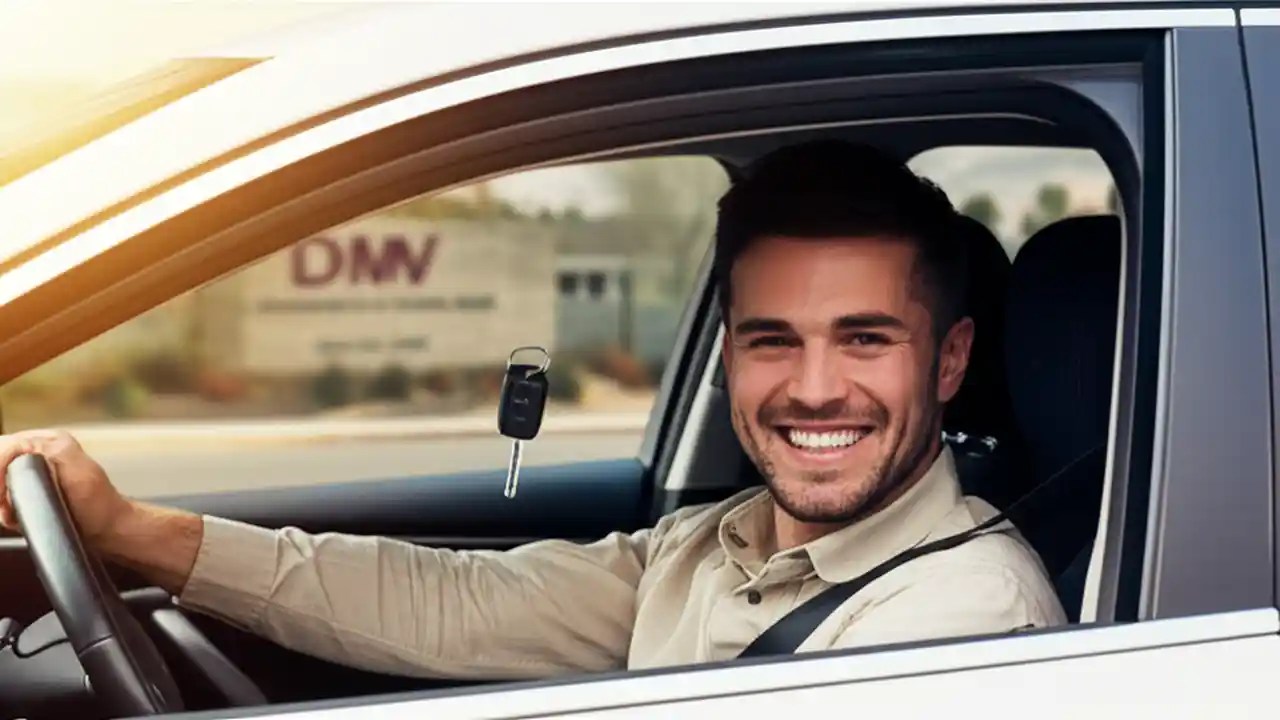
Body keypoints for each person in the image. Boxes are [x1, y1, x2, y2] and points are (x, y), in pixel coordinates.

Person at [0, 140, 1065, 680]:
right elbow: (448, 601)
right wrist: (134, 532)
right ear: (728, 356)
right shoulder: (709, 544)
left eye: (864, 339)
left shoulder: (963, 625)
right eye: (770, 338)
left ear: (948, 361)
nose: (813, 388)